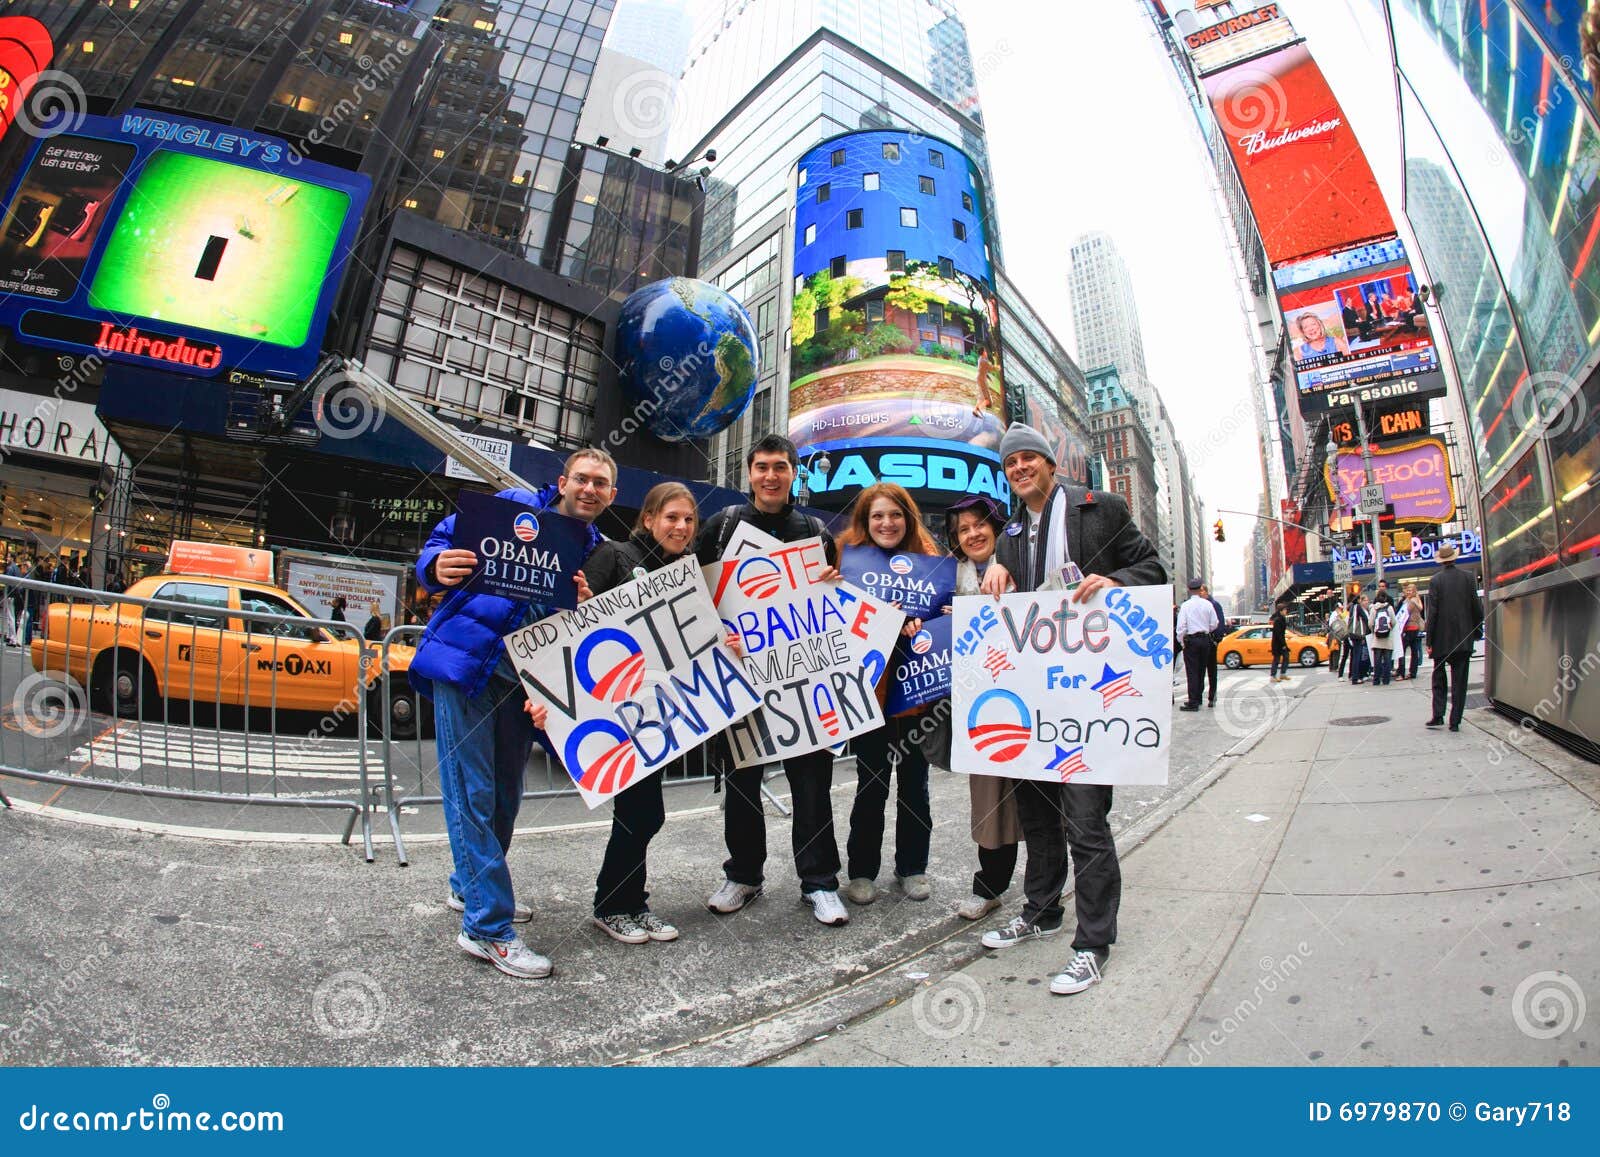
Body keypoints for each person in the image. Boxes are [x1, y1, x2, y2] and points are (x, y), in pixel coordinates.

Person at [412, 447, 616, 979]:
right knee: (472, 794)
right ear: (564, 481)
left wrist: (579, 606)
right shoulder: (511, 507)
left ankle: (469, 887)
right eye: (583, 479)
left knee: (506, 795)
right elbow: (437, 545)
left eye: (601, 484)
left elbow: (564, 633)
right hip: (466, 668)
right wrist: (436, 566)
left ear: (611, 496)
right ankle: (487, 928)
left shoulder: (586, 550)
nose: (590, 489)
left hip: (519, 688)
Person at [977, 423, 1165, 996]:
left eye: (1029, 459)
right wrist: (995, 570)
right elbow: (1005, 605)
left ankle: (1092, 942)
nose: (1020, 469)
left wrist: (1113, 580)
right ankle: (1041, 911)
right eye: (1011, 464)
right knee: (1037, 820)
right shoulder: (1009, 532)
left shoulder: (1099, 509)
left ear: (1050, 465)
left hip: (1091, 701)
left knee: (1085, 822)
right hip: (1037, 702)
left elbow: (1154, 569)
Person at [529, 483, 741, 946]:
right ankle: (613, 906)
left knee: (641, 813)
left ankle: (631, 903)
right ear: (648, 518)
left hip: (655, 713)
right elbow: (568, 624)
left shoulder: (686, 573)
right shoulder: (613, 555)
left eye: (689, 520)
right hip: (611, 709)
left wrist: (727, 645)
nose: (682, 527)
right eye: (671, 518)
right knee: (641, 814)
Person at [696, 433, 851, 928]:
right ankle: (743, 875)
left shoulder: (814, 530)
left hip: (801, 682)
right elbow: (693, 594)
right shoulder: (721, 526)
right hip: (741, 679)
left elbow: (833, 605)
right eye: (761, 466)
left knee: (811, 786)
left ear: (793, 473)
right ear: (749, 473)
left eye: (780, 467)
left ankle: (820, 883)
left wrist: (834, 584)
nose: (770, 476)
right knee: (742, 784)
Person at [837, 482, 939, 907]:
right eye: (877, 516)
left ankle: (912, 867)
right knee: (871, 785)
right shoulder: (846, 562)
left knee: (915, 785)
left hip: (916, 695)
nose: (886, 523)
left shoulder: (932, 564)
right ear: (865, 521)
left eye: (895, 515)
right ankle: (862, 872)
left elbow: (943, 627)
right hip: (869, 697)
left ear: (908, 518)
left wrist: (933, 619)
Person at [944, 495, 1020, 922]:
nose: (972, 534)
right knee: (991, 800)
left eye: (979, 525)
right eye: (962, 530)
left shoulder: (1022, 559)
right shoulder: (949, 574)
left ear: (995, 526)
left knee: (1042, 799)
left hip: (1034, 698)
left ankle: (1047, 885)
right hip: (983, 708)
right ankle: (989, 886)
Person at [1426, 543, 1483, 732]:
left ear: (1441, 561)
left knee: (1439, 678)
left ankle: (1438, 715)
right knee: (1460, 682)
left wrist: (1429, 640)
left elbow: (1432, 613)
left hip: (1442, 640)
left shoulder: (1436, 581)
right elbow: (1477, 607)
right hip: (1463, 639)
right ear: (1454, 558)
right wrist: (1477, 631)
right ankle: (1455, 720)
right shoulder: (1468, 578)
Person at [1176, 578, 1219, 711]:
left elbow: (1181, 626)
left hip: (1192, 640)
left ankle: (1194, 701)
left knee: (1192, 671)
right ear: (1200, 589)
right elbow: (1214, 623)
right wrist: (1206, 630)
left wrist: (1182, 641)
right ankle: (1198, 698)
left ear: (1189, 590)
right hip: (1205, 639)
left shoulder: (1186, 606)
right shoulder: (1207, 605)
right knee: (1201, 670)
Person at [1201, 582, 1227, 707]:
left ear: (1206, 592)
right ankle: (1199, 696)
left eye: (1201, 591)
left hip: (1211, 641)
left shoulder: (1214, 605)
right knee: (1200, 670)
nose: (1199, 594)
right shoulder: (1200, 605)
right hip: (1201, 640)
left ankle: (1212, 696)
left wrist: (1217, 639)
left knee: (1211, 670)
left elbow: (1220, 622)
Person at [1369, 590, 1397, 685]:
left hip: (1377, 639)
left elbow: (1370, 623)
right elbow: (1394, 621)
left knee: (1377, 661)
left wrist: (1374, 631)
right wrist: (1389, 628)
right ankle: (1386, 680)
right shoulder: (1389, 608)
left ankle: (1376, 679)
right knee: (1387, 660)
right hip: (1387, 638)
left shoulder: (1373, 608)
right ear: (1385, 598)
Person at [1400, 581, 1425, 680]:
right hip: (1415, 628)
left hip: (1409, 628)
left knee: (1402, 651)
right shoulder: (1416, 600)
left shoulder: (1411, 601)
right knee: (1414, 651)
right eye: (1408, 590)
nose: (1409, 592)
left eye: (1410, 590)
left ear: (1414, 591)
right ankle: (1413, 672)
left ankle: (1401, 672)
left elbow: (1404, 613)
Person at [1348, 593, 1372, 684]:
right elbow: (1366, 618)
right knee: (1357, 656)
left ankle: (1354, 676)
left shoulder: (1351, 607)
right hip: (1357, 634)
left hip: (1352, 634)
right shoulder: (1358, 607)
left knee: (1355, 656)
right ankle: (1355, 678)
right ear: (1358, 600)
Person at [1269, 599, 1291, 682]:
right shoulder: (1278, 620)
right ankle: (1273, 676)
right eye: (1285, 610)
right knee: (1276, 659)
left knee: (1286, 657)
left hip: (1280, 642)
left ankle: (1282, 674)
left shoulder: (1282, 618)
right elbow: (1278, 634)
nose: (1286, 611)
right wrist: (1284, 645)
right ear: (1281, 611)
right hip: (1277, 644)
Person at [1327, 602, 1350, 678]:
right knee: (1336, 650)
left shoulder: (1333, 614)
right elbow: (1343, 618)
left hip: (1333, 633)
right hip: (1335, 634)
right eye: (1340, 608)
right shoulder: (1336, 614)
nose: (1341, 609)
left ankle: (1332, 667)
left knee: (1333, 650)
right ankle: (1335, 667)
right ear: (1337, 608)